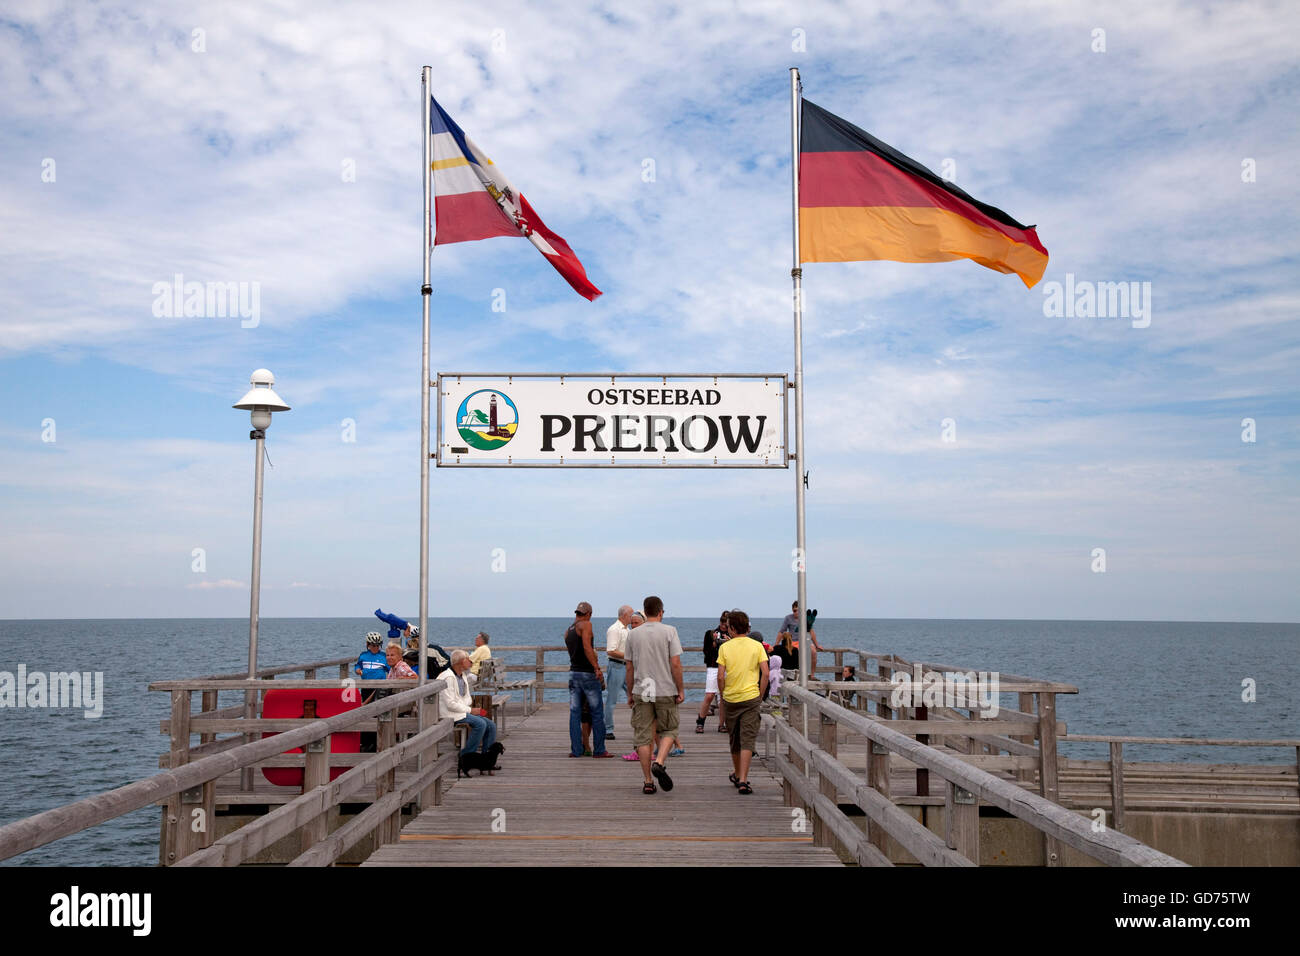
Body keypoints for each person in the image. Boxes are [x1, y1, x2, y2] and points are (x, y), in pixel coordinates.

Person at [624, 595, 684, 794]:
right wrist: (681, 689)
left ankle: (648, 781)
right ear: (660, 611)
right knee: (669, 729)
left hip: (643, 689)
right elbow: (675, 663)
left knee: (643, 736)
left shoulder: (633, 634)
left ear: (644, 611)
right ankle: (659, 761)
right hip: (665, 688)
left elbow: (629, 667)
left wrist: (630, 692)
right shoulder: (670, 631)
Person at [715, 609, 769, 795]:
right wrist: (760, 695)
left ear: (731, 628)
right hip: (751, 697)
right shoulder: (757, 646)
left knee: (734, 739)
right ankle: (744, 780)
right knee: (748, 739)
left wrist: (723, 695)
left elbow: (720, 676)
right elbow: (766, 673)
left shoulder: (724, 647)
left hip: (731, 698)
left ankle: (737, 774)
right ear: (747, 627)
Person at [565, 602, 612, 758]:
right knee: (597, 713)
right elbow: (587, 648)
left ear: (576, 613)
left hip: (573, 673)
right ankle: (599, 750)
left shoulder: (568, 631)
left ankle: (576, 750)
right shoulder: (586, 625)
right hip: (587, 675)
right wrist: (597, 668)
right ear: (589, 614)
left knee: (574, 714)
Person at [440, 649, 497, 757]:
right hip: (449, 714)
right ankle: (466, 756)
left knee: (491, 725)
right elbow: (450, 704)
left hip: (460, 711)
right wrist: (470, 710)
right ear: (460, 662)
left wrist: (470, 710)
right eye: (468, 659)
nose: (471, 662)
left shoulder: (463, 676)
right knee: (480, 724)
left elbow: (467, 699)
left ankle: (486, 758)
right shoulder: (448, 678)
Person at [603, 605, 633, 740]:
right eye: (631, 615)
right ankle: (608, 729)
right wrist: (629, 656)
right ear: (624, 615)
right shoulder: (614, 630)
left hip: (626, 667)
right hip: (616, 666)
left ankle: (642, 724)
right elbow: (611, 650)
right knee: (612, 700)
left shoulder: (627, 630)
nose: (632, 617)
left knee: (636, 695)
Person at [696, 611, 729, 734]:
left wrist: (729, 641)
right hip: (713, 666)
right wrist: (714, 643)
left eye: (726, 624)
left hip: (727, 668)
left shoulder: (732, 636)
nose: (724, 626)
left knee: (723, 698)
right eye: (722, 623)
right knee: (709, 695)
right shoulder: (710, 634)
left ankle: (722, 724)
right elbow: (706, 652)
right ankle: (700, 721)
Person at [778, 600, 822, 675]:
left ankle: (812, 675)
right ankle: (799, 674)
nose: (796, 612)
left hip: (804, 641)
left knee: (813, 652)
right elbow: (781, 632)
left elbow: (811, 631)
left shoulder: (806, 618)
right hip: (793, 642)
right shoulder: (788, 618)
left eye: (799, 610)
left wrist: (817, 645)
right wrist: (776, 644)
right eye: (795, 611)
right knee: (797, 654)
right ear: (792, 610)